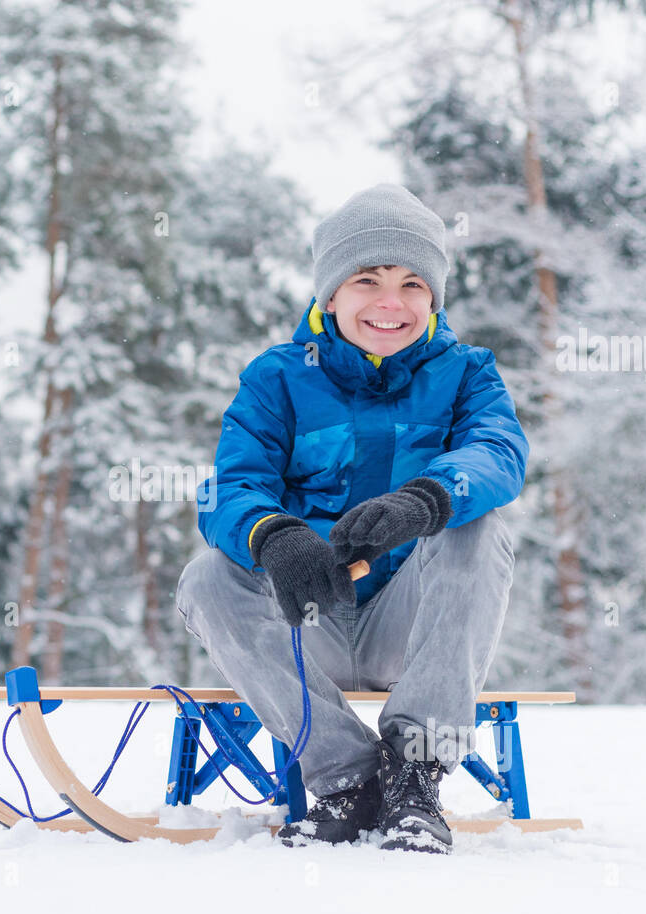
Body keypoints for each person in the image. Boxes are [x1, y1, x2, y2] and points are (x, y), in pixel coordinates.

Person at [176, 184, 527, 853]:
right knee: (207, 577)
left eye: (413, 283)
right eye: (367, 279)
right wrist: (274, 535)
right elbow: (229, 486)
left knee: (480, 527)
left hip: (411, 621)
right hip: (307, 624)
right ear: (330, 294)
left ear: (434, 298)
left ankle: (414, 771)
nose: (391, 302)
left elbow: (499, 452)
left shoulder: (468, 374)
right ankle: (349, 780)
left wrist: (426, 498)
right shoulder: (277, 379)